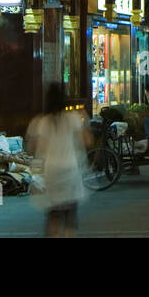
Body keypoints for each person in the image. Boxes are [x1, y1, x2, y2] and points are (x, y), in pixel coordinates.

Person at [27, 83, 92, 237]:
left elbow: (35, 152)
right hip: (70, 170)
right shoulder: (73, 118)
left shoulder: (41, 121)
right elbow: (88, 142)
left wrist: (35, 179)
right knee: (70, 214)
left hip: (51, 173)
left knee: (53, 214)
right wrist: (85, 121)